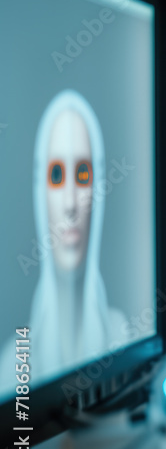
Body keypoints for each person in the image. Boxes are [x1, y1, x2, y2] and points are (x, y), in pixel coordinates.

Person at [1, 90, 130, 393]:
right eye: (56, 175)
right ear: (39, 191)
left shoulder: (121, 333)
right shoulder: (13, 367)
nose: (71, 203)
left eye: (83, 175)